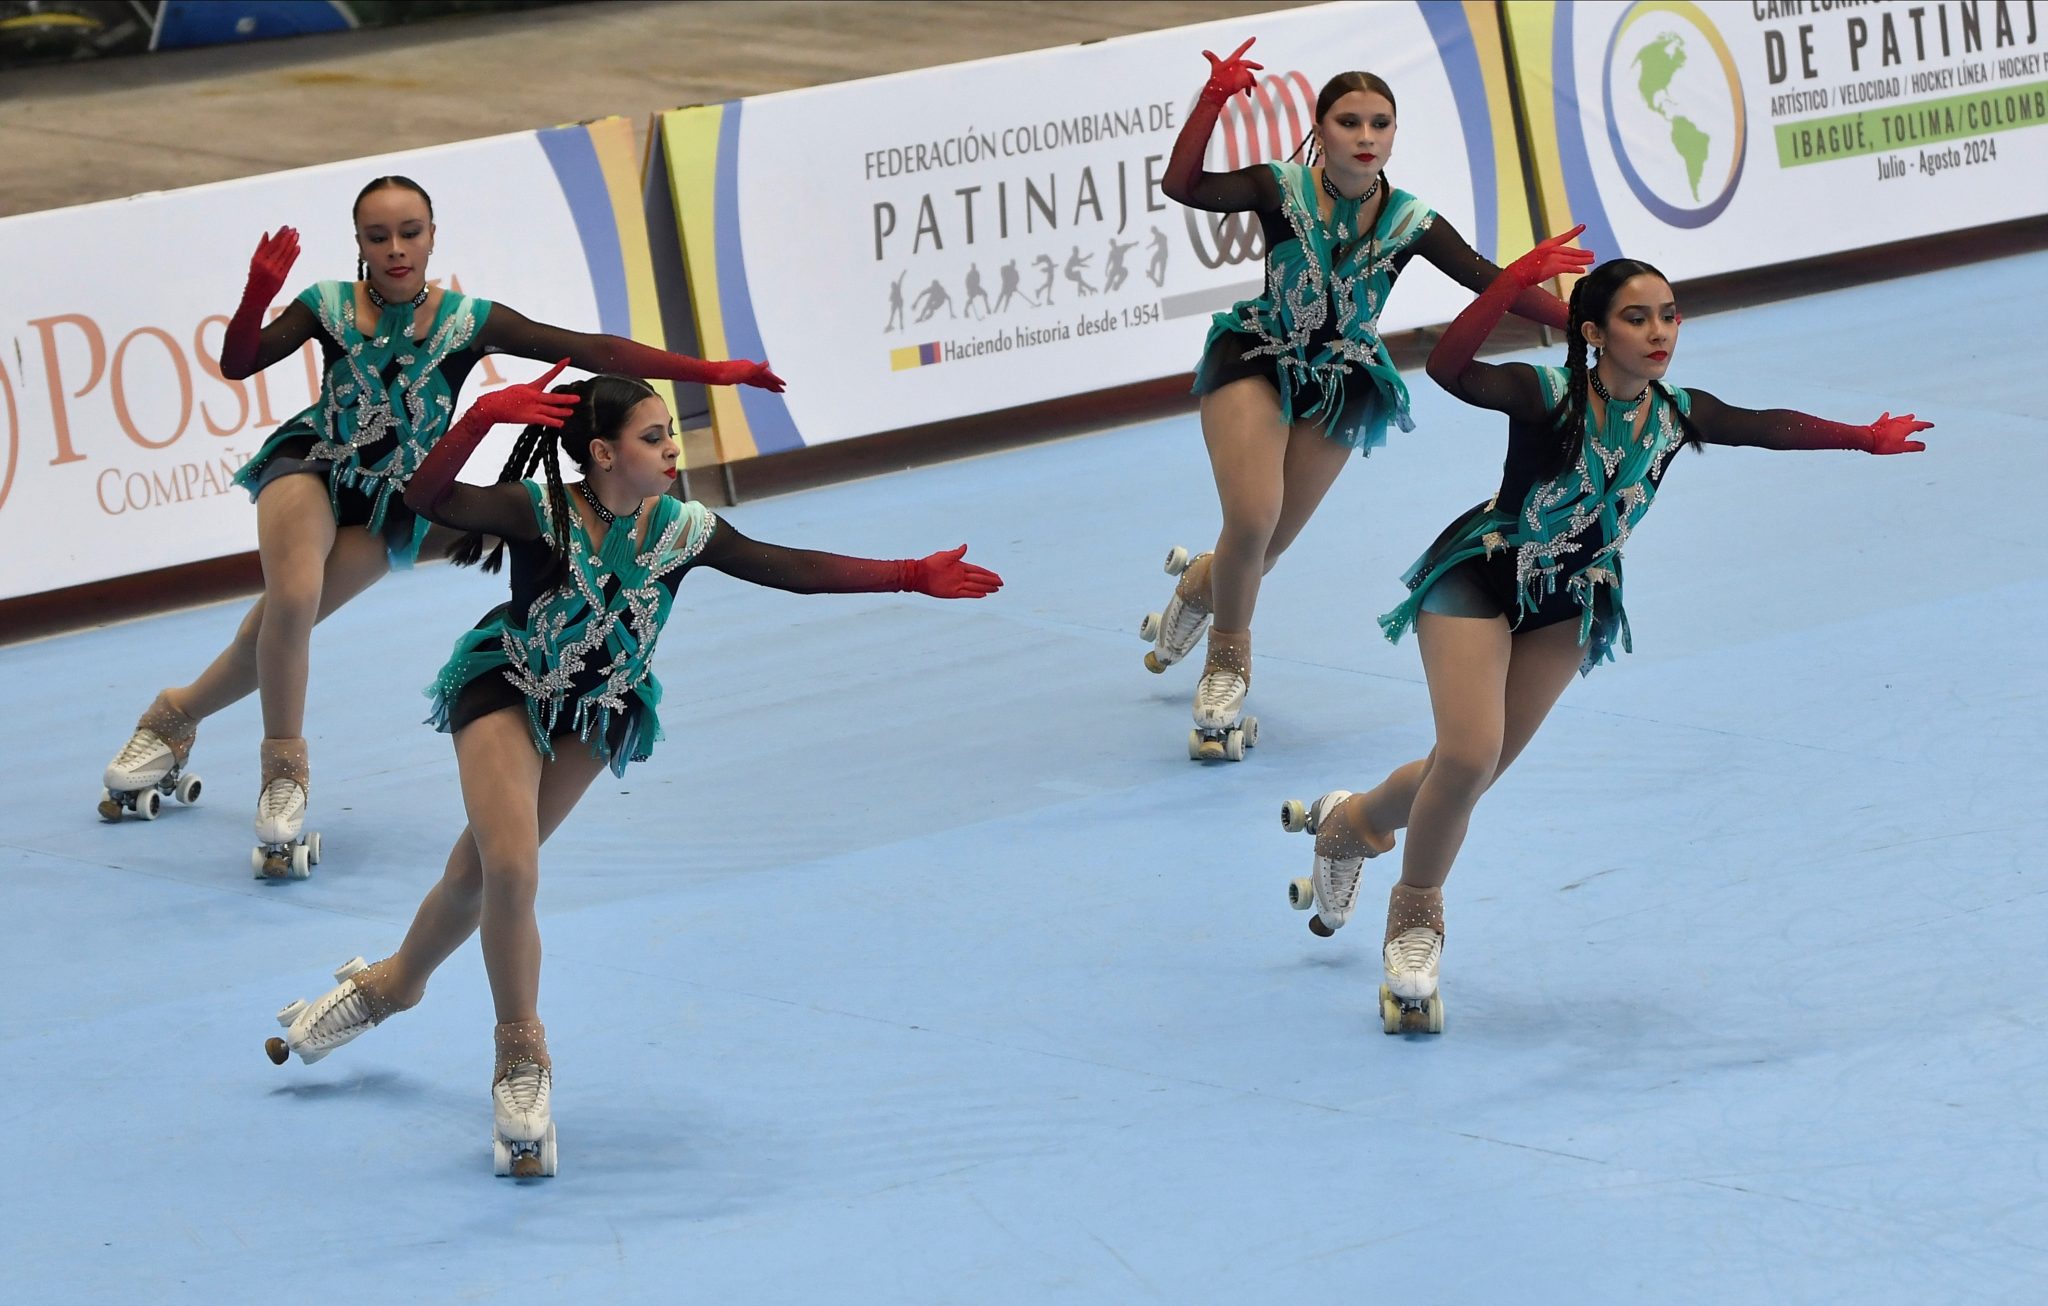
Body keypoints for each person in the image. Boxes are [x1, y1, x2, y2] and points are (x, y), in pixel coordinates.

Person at [261, 365, 1002, 1176]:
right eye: (654, 437)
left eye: (671, 433)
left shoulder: (685, 530)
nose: (673, 448)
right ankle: (521, 1060)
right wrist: (479, 418)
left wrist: (910, 574)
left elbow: (789, 566)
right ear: (604, 454)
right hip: (508, 685)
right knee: (512, 869)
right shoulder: (540, 511)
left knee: (476, 876)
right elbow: (428, 499)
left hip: (596, 710)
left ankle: (395, 984)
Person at [1283, 229, 1930, 1032]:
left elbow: (1766, 424)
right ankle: (1415, 921)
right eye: (1636, 318)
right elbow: (1451, 370)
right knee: (1469, 754)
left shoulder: (1677, 414)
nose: (1659, 332)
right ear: (1593, 332)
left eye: (1669, 315)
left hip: (1570, 600)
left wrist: (1862, 437)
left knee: (1467, 772)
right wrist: (1508, 284)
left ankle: (1351, 826)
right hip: (1481, 578)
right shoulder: (1546, 394)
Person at [96, 176, 783, 878]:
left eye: (410, 232)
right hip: (313, 466)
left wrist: (714, 373)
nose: (395, 249)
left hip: (394, 505)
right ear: (359, 243)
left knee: (272, 628)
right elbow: (238, 362)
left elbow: (592, 349)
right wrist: (255, 295)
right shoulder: (328, 306)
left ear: (431, 236)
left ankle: (174, 716)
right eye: (378, 236)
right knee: (293, 598)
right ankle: (284, 773)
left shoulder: (467, 322)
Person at [1145, 37, 1570, 760]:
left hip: (1344, 383)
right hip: (1259, 357)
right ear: (1321, 129)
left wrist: (1586, 320)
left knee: (1262, 549)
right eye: (1349, 122)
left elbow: (1488, 280)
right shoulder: (1279, 188)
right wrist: (1214, 99)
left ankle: (1197, 586)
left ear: (1395, 133)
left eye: (1380, 123)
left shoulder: (1410, 220)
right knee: (1252, 518)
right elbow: (1185, 186)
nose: (1366, 136)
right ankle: (1227, 664)